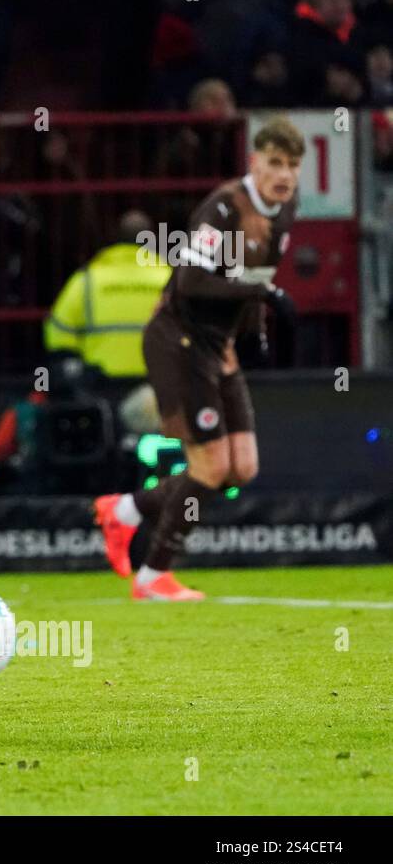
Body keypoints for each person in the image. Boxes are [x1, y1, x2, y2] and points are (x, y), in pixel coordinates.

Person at [94, 116, 302, 602]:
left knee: (242, 467)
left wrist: (257, 330)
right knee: (209, 467)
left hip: (219, 343)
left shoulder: (286, 208)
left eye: (292, 165)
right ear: (254, 160)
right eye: (275, 162)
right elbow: (191, 281)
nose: (284, 174)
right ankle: (153, 577)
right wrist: (265, 293)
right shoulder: (225, 208)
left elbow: (253, 272)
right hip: (180, 340)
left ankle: (124, 511)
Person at [44, 210, 170, 380]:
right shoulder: (169, 278)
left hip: (100, 384)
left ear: (116, 239)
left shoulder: (88, 279)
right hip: (157, 381)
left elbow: (57, 332)